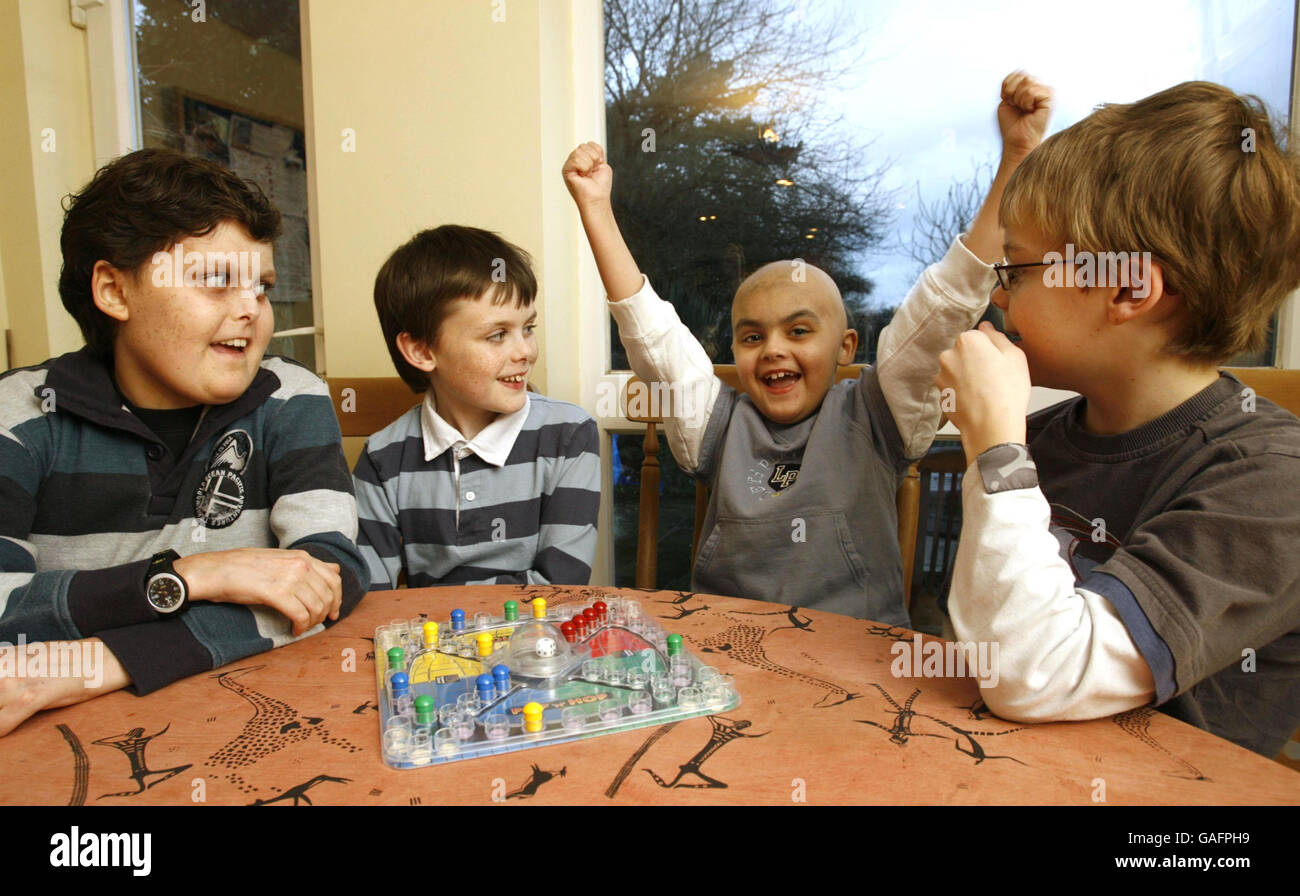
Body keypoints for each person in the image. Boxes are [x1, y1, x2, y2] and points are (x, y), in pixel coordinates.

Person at [562, 73, 1052, 625]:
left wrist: (1015, 158)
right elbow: (652, 335)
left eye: (798, 331)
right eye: (752, 337)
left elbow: (947, 302)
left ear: (846, 347)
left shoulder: (878, 410)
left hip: (859, 660)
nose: (772, 350)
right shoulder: (715, 424)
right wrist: (596, 209)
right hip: (727, 651)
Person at [935, 81, 1300, 756]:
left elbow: (1031, 675)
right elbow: (973, 659)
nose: (999, 295)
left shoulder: (1274, 485)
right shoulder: (1044, 441)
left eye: (1015, 268)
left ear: (1129, 288)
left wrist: (996, 454)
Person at [0, 148, 369, 736]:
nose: (251, 309)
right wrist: (194, 577)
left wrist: (94, 662)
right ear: (113, 291)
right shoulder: (17, 415)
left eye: (263, 287)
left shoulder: (290, 397)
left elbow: (328, 582)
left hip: (242, 717)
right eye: (216, 282)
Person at [354, 225, 600, 589]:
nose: (525, 352)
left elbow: (560, 584)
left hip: (533, 641)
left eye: (528, 328)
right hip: (430, 644)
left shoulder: (568, 435)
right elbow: (370, 595)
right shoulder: (382, 458)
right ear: (422, 351)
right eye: (497, 335)